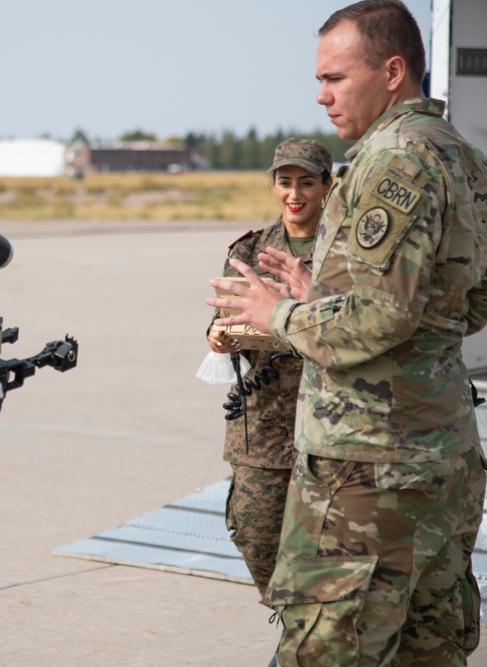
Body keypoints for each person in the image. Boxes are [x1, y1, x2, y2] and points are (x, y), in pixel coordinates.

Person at [207, 1, 487, 664]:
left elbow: (379, 319)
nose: (321, 96)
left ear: (392, 70)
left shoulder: (390, 163)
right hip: (444, 459)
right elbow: (467, 309)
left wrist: (275, 313)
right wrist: (327, 296)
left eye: (335, 78)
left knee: (323, 652)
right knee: (426, 651)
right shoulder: (470, 163)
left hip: (367, 471)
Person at [206, 138, 332, 602]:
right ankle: (295, 630)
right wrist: (219, 338)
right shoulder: (251, 249)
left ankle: (311, 642)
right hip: (260, 430)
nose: (294, 194)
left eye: (306, 182)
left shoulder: (345, 252)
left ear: (327, 185)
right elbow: (220, 322)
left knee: (329, 551)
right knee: (256, 537)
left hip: (330, 424)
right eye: (285, 182)